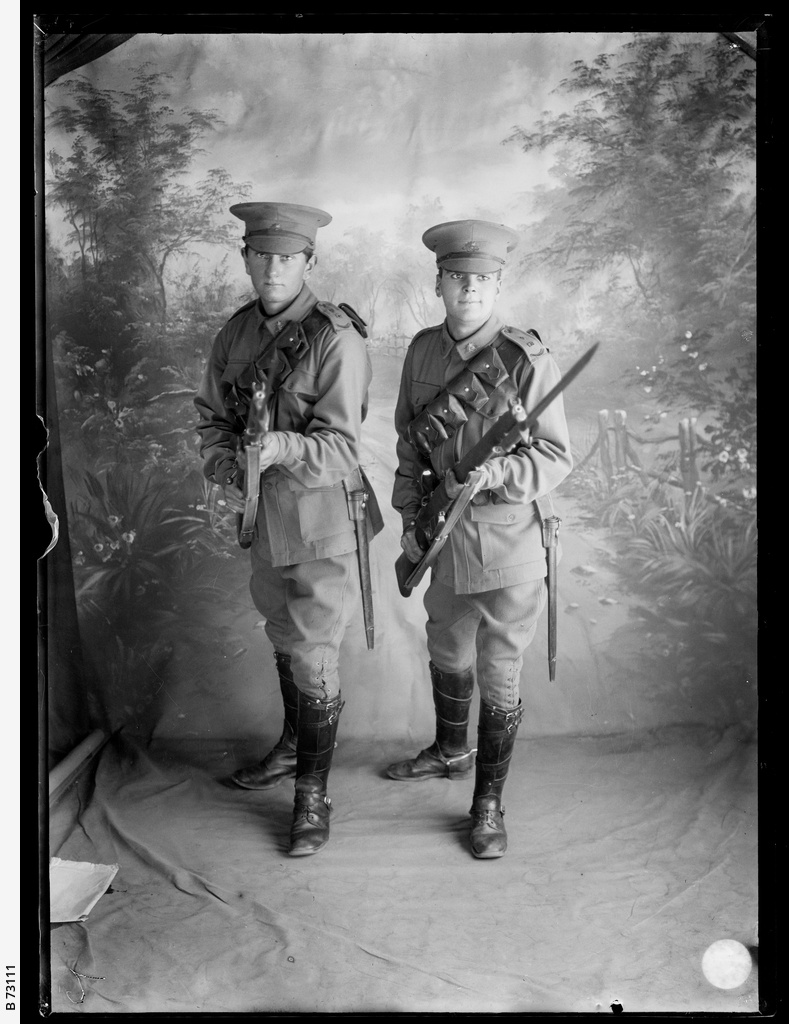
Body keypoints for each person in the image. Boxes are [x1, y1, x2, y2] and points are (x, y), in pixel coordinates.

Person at [195, 202, 382, 857]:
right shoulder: (235, 334)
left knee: (312, 653)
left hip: (322, 524)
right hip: (265, 526)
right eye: (261, 255)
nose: (272, 269)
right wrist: (228, 463)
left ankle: (311, 795)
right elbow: (211, 420)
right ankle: (291, 747)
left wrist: (280, 448)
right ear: (245, 258)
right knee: (282, 636)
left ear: (309, 263)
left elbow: (341, 449)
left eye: (287, 258)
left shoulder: (336, 337)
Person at [389, 219, 573, 859]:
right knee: (444, 646)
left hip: (506, 546)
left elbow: (555, 456)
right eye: (458, 278)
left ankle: (488, 805)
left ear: (498, 286)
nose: (470, 289)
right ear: (439, 283)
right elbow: (409, 448)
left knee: (499, 670)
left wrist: (504, 471)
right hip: (442, 538)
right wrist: (411, 520)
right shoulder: (421, 353)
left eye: (483, 280)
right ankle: (449, 750)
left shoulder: (527, 360)